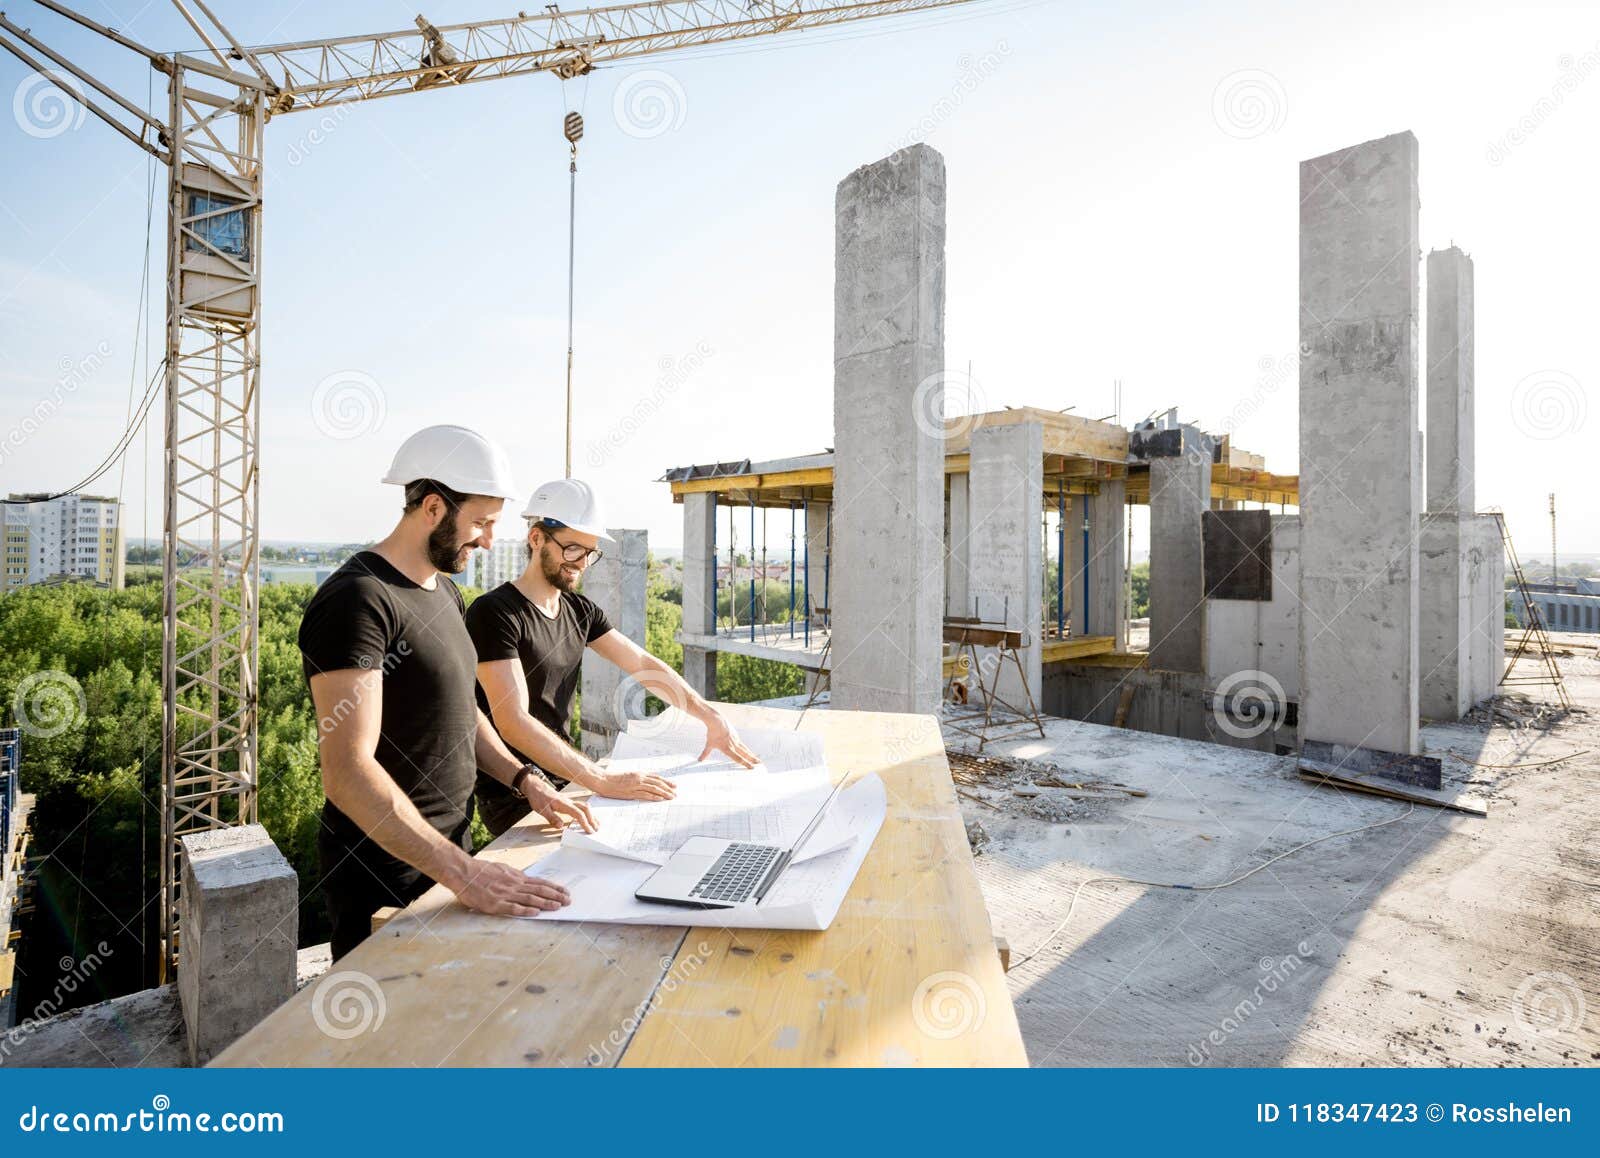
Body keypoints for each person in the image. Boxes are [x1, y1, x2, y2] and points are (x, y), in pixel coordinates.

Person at [299, 426, 595, 961]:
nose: (486, 540)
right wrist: (463, 874)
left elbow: (465, 714)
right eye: (480, 522)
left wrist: (526, 780)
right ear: (433, 507)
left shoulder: (447, 594)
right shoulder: (359, 600)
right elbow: (346, 772)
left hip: (447, 857)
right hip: (382, 873)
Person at [468, 477, 759, 837]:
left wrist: (711, 717)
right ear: (536, 538)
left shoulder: (579, 610)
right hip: (516, 791)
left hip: (568, 777)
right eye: (572, 549)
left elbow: (643, 665)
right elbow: (512, 721)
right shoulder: (494, 613)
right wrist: (601, 779)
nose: (581, 564)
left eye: (589, 553)